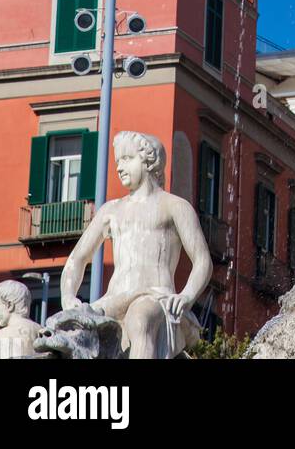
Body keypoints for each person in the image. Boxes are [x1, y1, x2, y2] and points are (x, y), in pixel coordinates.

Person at [60, 130, 212, 359]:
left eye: (127, 159)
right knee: (70, 328)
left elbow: (202, 261)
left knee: (139, 318)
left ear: (150, 161)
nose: (120, 167)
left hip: (156, 297)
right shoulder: (110, 211)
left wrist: (186, 296)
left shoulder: (174, 206)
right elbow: (77, 259)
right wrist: (68, 296)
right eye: (118, 161)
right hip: (114, 298)